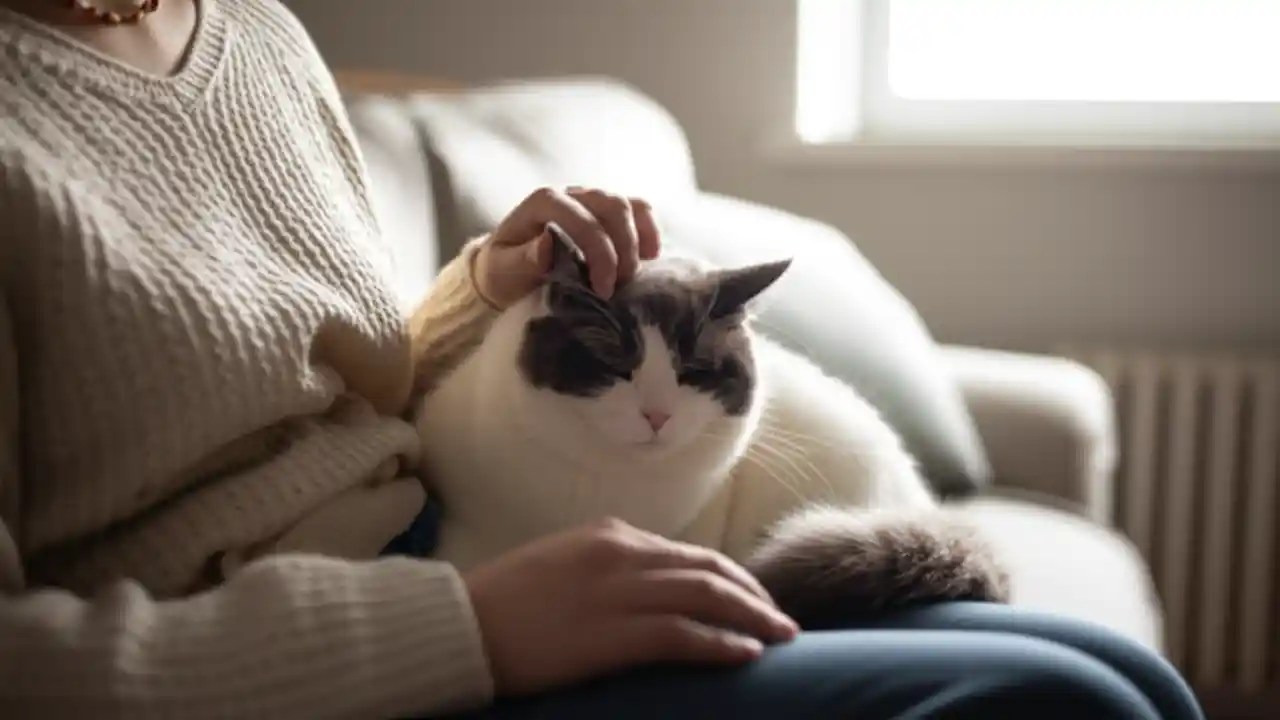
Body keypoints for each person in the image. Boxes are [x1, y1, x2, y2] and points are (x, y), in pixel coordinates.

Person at [0, 1, 1202, 718]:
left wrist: (488, 288)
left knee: (1112, 671)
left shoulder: (252, 31)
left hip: (448, 550)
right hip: (349, 659)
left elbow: (340, 397)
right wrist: (466, 631)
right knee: (1064, 703)